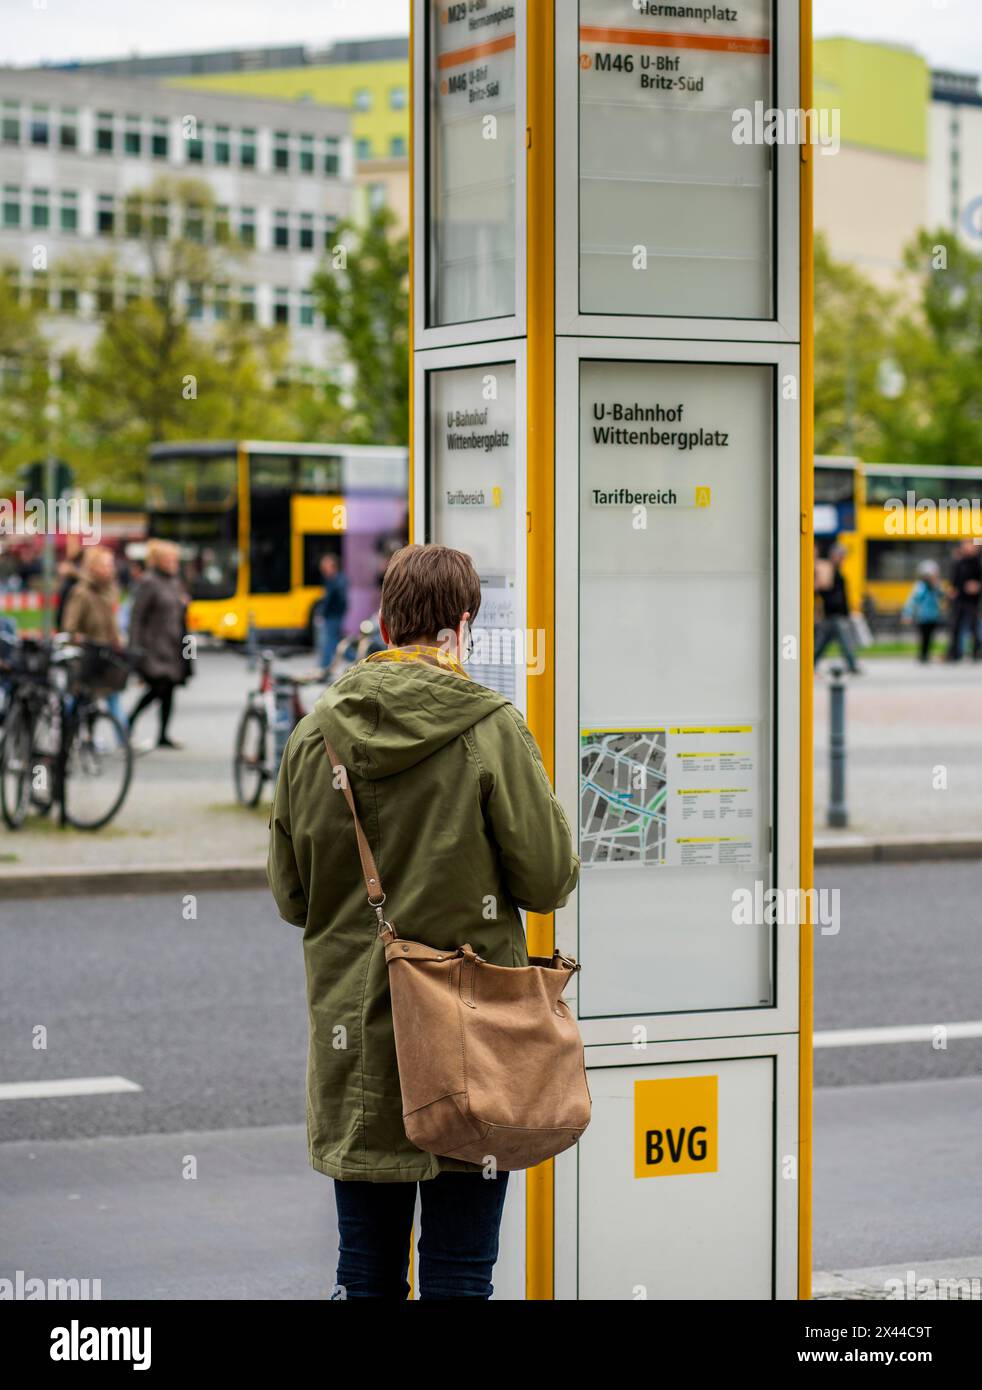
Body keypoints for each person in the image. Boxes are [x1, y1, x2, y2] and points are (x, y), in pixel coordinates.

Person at [268, 544, 579, 1300]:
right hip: (472, 1040)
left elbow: (292, 897)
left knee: (366, 1272)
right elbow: (547, 880)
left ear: (384, 620)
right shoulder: (493, 726)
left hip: (362, 1036)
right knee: (460, 1272)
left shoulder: (317, 734)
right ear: (462, 625)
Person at [127, 539, 190, 749]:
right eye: (168, 558)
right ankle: (129, 721)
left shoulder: (174, 581)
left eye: (175, 558)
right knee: (158, 687)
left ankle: (163, 734)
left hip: (173, 646)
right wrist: (135, 647)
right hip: (154, 646)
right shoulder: (149, 582)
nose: (173, 562)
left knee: (169, 689)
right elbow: (136, 617)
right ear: (157, 560)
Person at [61, 546, 127, 726]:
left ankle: (121, 739)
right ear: (92, 567)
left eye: (111, 565)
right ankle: (64, 737)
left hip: (106, 653)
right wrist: (81, 639)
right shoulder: (81, 592)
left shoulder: (110, 591)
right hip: (87, 656)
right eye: (106, 565)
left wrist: (118, 639)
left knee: (109, 696)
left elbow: (112, 622)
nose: (110, 569)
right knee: (80, 699)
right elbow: (69, 626)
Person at [814, 544, 860, 674]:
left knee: (823, 642)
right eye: (841, 556)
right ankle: (852, 664)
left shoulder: (836, 571)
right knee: (845, 640)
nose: (843, 559)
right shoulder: (828, 570)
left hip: (836, 613)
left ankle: (810, 662)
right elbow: (824, 590)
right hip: (834, 612)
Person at [945, 538, 982, 662]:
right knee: (955, 626)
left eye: (969, 545)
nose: (967, 547)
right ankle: (954, 652)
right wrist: (951, 589)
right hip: (959, 599)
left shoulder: (978, 562)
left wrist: (977, 586)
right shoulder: (959, 562)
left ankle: (976, 652)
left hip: (973, 600)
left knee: (974, 627)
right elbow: (953, 579)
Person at [901, 560, 944, 663]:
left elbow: (942, 595)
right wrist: (907, 614)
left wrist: (936, 586)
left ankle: (926, 654)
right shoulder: (920, 586)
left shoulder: (936, 586)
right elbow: (912, 601)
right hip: (922, 616)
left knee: (930, 636)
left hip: (933, 615)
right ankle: (922, 655)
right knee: (923, 636)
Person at [318, 553, 349, 672]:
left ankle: (324, 666)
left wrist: (323, 613)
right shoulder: (339, 579)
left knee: (329, 640)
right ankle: (325, 665)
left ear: (333, 566)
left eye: (325, 567)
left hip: (333, 615)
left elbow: (329, 600)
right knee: (333, 640)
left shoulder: (335, 580)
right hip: (335, 614)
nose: (323, 570)